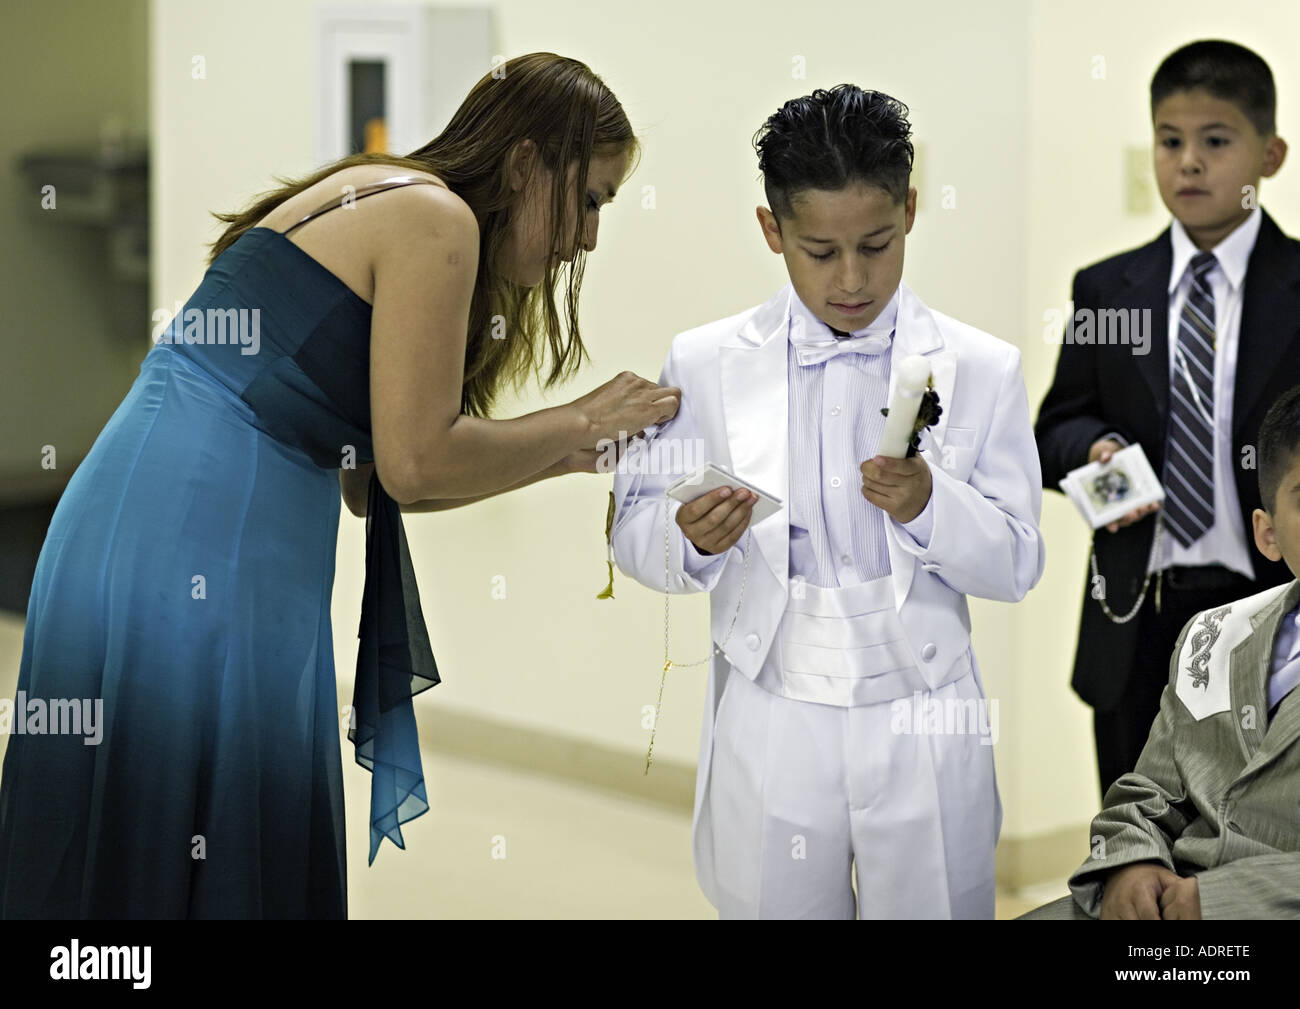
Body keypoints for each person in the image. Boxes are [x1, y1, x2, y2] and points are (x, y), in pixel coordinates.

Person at [0, 52, 680, 919]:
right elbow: (414, 463)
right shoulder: (436, 218)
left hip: (158, 512)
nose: (587, 236)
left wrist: (574, 452)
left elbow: (378, 481)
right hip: (201, 530)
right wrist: (580, 424)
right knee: (191, 818)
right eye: (591, 198)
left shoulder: (390, 194)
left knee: (143, 820)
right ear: (524, 164)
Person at [610, 86, 1044, 919]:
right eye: (820, 252)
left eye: (876, 246)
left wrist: (929, 506)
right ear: (772, 231)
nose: (852, 279)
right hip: (773, 706)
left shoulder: (982, 367)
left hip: (924, 705)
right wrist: (688, 538)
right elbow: (634, 530)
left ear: (911, 211)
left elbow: (1019, 559)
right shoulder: (702, 362)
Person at [1035, 39, 1299, 801]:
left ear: (1269, 154)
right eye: (1170, 141)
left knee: (1256, 836)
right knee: (1134, 835)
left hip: (1270, 604)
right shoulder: (1109, 289)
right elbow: (1054, 431)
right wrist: (1095, 447)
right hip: (1138, 613)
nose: (1188, 162)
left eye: (1216, 142)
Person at [1022, 384, 1300, 920]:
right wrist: (1131, 861)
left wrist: (1219, 900)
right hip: (1168, 897)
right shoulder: (1214, 634)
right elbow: (1151, 787)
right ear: (1268, 534)